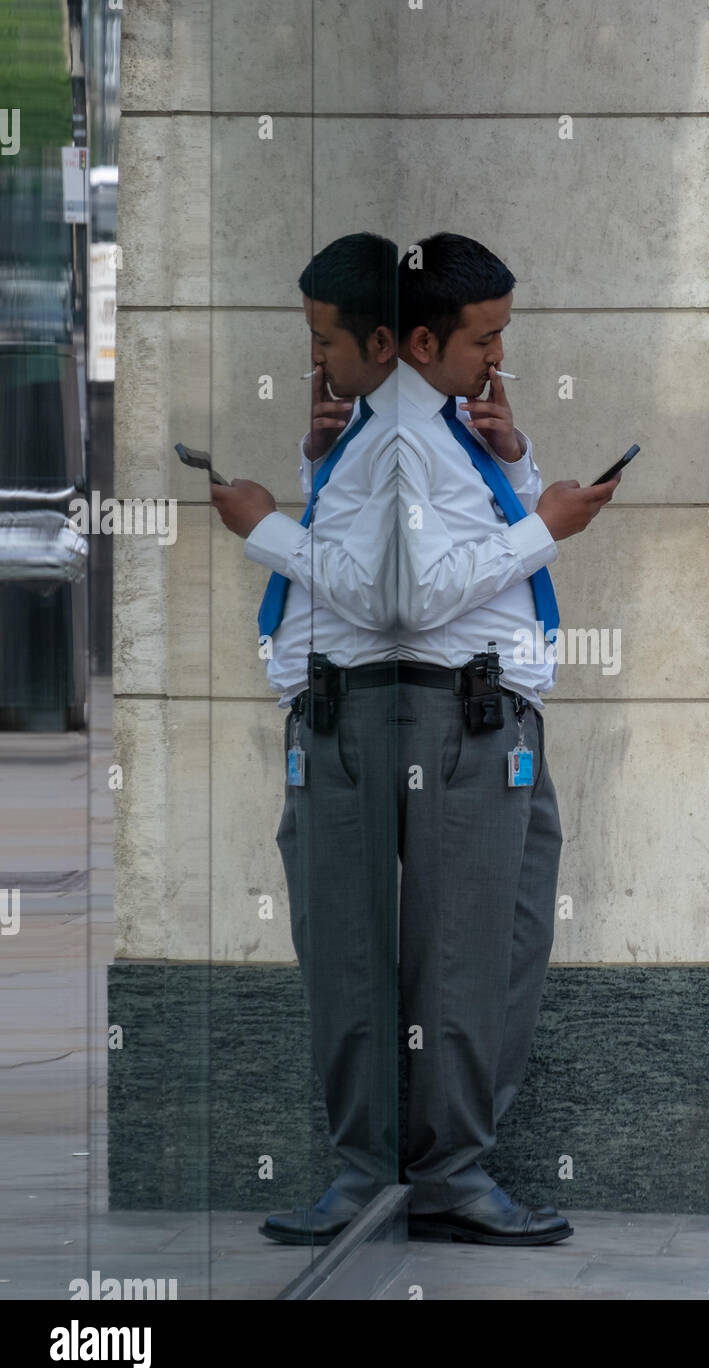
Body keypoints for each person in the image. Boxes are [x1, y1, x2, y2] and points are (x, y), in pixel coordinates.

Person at [394, 232, 620, 1244]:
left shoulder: (455, 427)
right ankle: (447, 1174)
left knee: (512, 948)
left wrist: (519, 465)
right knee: (467, 958)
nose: (498, 360)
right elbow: (419, 592)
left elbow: (498, 544)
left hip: (509, 717)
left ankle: (460, 1161)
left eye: (505, 337)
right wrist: (547, 527)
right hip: (457, 719)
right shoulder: (392, 444)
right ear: (419, 339)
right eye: (484, 340)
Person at [210, 232, 400, 1245]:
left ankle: (369, 1169)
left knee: (348, 955)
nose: (314, 363)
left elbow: (381, 590)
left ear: (378, 339)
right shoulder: (363, 425)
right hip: (328, 717)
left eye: (324, 342)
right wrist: (314, 466)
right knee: (343, 952)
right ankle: (374, 1166)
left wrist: (262, 527)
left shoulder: (402, 433)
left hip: (357, 718)